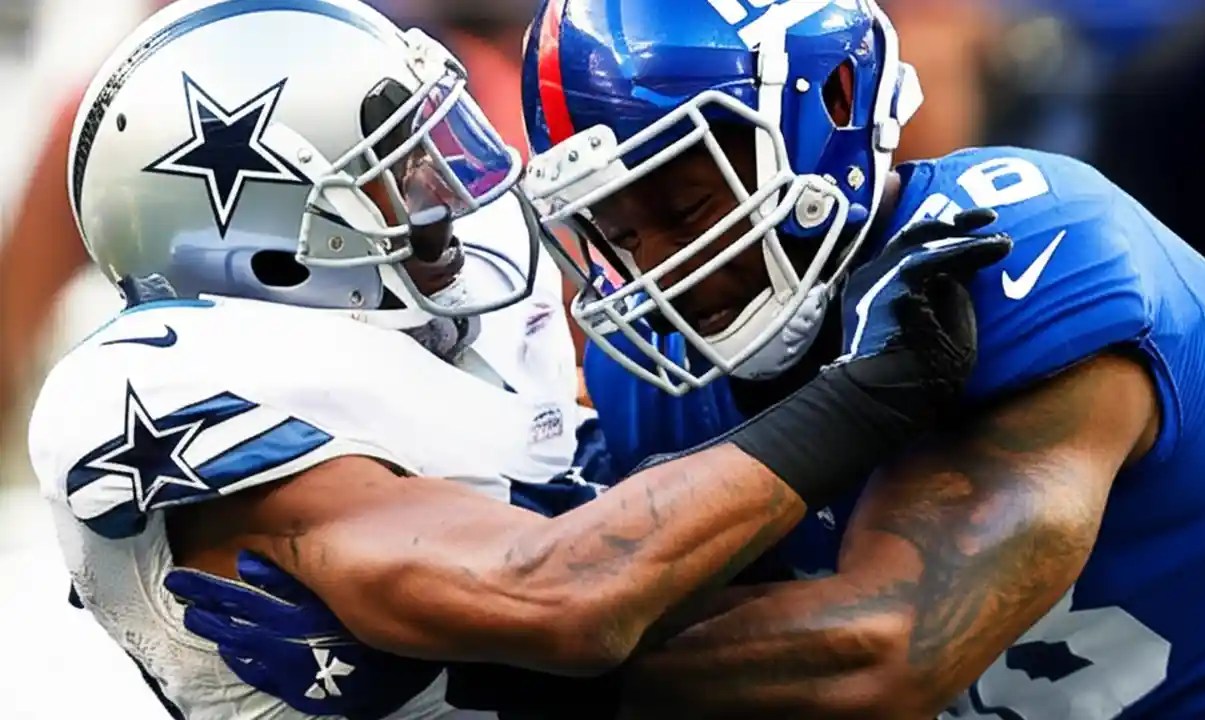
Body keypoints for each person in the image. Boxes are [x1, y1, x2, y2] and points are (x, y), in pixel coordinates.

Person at [169, 1, 1205, 718]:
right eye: (617, 221)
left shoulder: (1024, 245)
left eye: (684, 193)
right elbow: (641, 615)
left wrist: (496, 681)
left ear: (828, 110)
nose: (660, 260)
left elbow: (885, 653)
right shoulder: (646, 363)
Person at [30, 1, 1005, 718]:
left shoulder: (464, 299)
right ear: (269, 238)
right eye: (389, 171)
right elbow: (563, 596)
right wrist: (858, 400)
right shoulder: (169, 379)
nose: (437, 187)